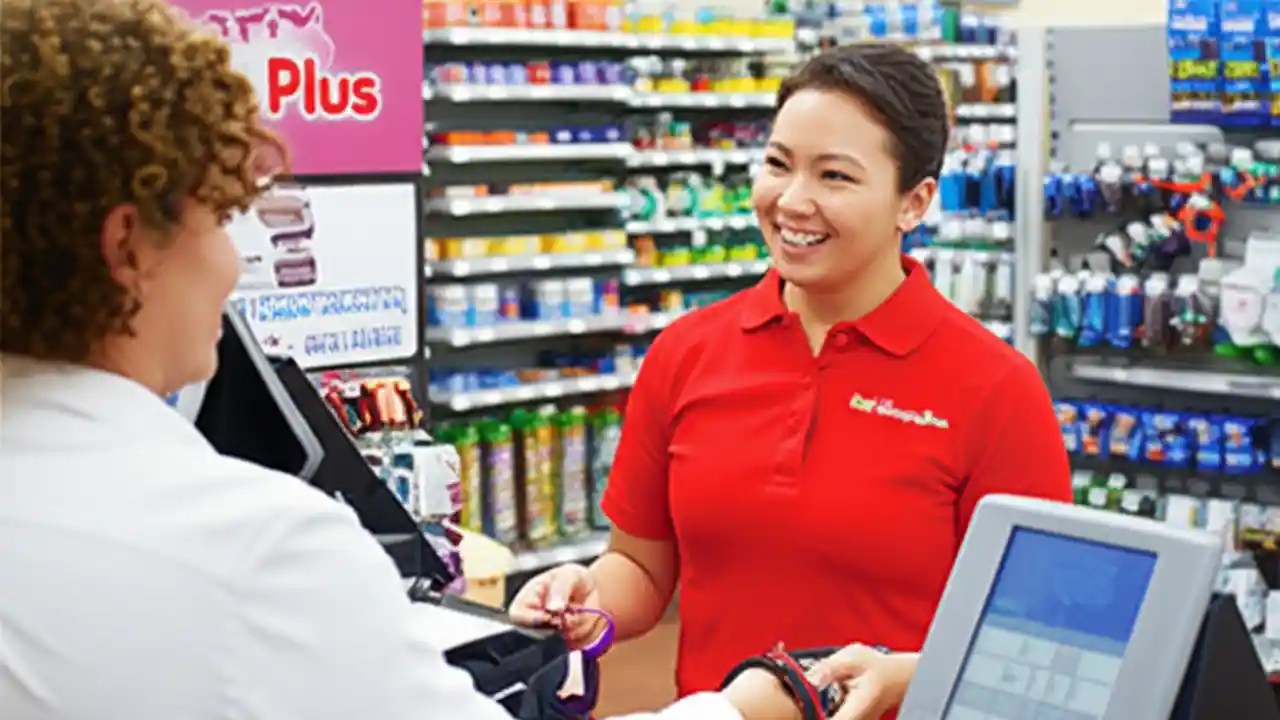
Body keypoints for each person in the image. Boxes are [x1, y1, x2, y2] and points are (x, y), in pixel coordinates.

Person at [0, 2, 861, 719]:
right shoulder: (257, 543)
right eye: (221, 221)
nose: (233, 265)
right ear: (128, 246)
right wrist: (745, 705)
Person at [510, 42, 1074, 718]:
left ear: (914, 202)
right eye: (778, 164)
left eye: (835, 176)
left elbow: (1039, 643)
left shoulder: (993, 388)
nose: (792, 201)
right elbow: (642, 569)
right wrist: (585, 599)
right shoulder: (685, 354)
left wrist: (907, 678)